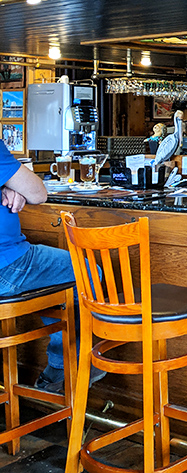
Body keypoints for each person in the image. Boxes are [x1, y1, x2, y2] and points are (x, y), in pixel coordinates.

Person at [0, 139, 98, 393]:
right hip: (8, 266)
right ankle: (72, 363)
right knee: (90, 274)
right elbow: (38, 193)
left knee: (56, 285)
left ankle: (62, 365)